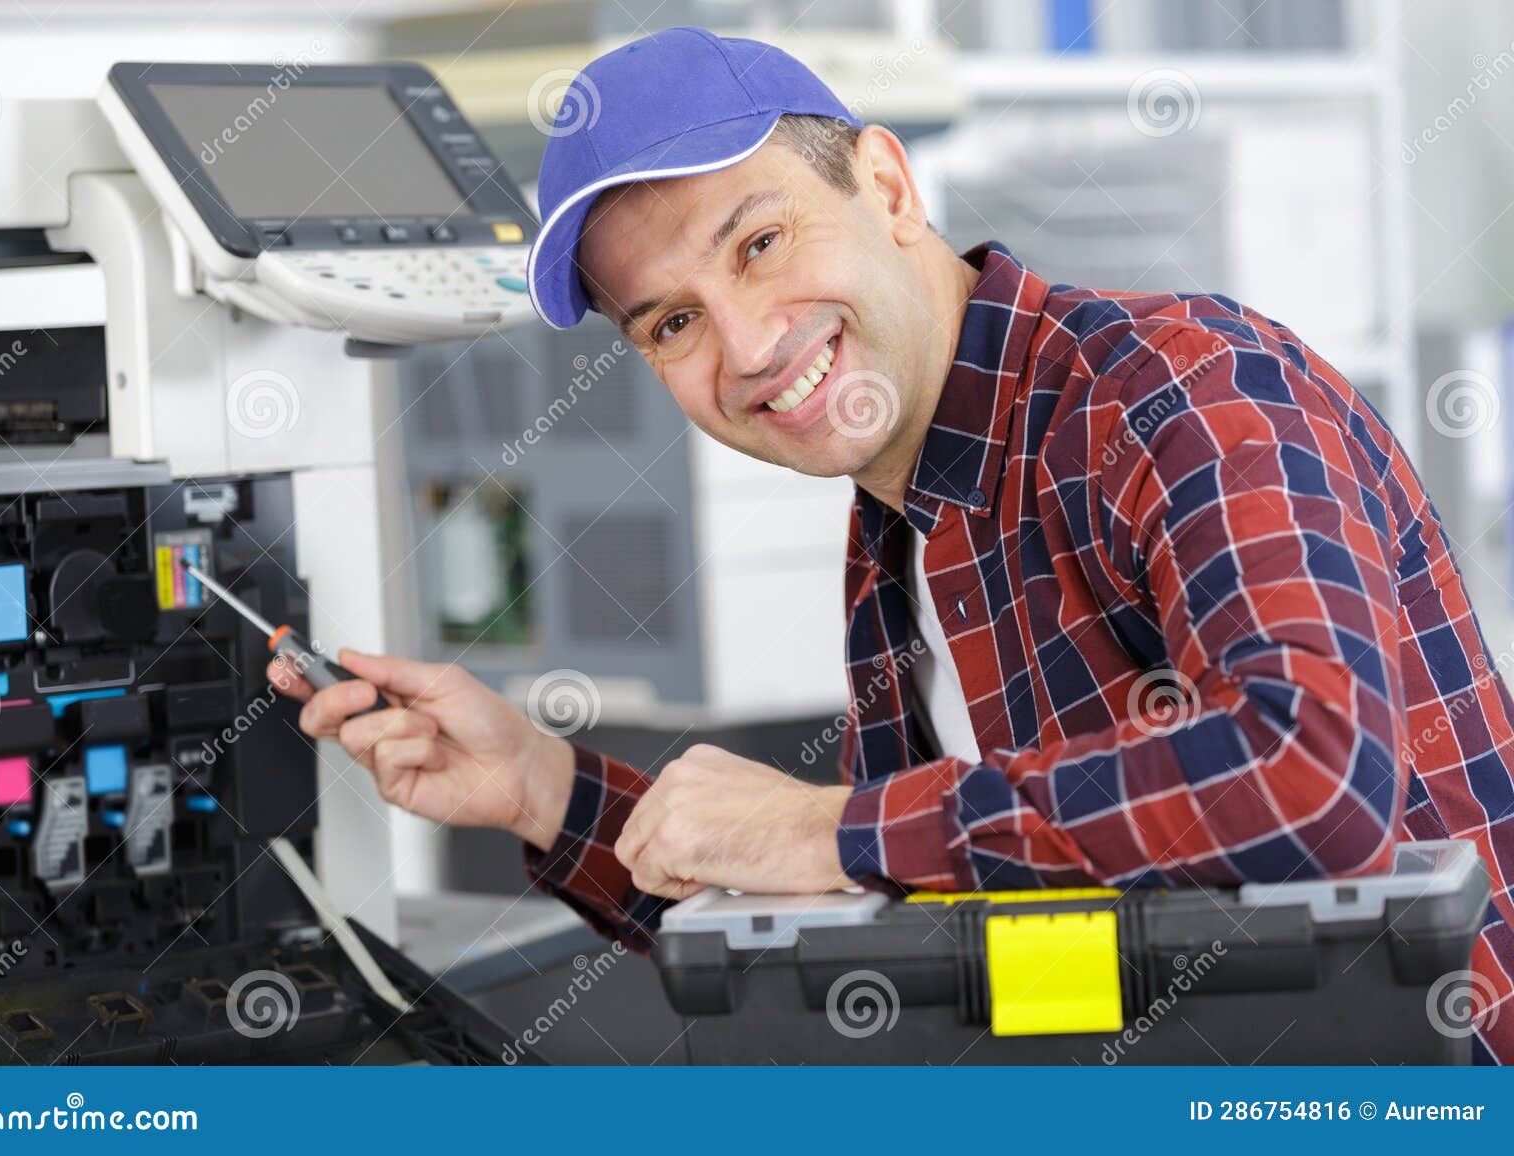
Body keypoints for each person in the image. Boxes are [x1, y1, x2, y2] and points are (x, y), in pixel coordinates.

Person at [272, 27, 1513, 1063]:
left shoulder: (1177, 392)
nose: (749, 345)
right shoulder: (895, 527)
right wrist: (542, 789)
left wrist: (829, 825)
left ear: (886, 184)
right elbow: (903, 925)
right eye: (671, 322)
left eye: (758, 243)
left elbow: (1311, 776)